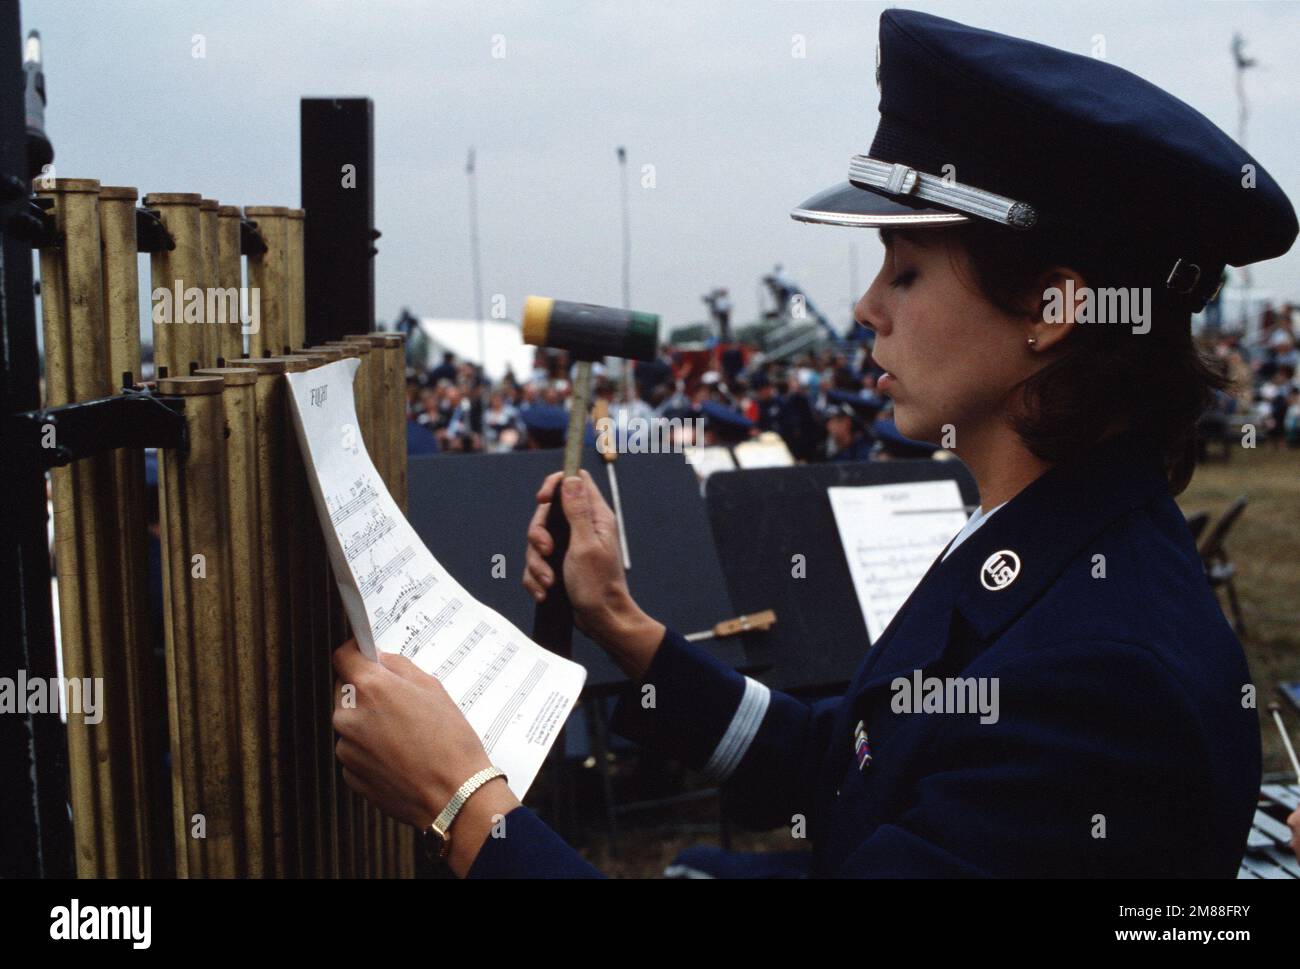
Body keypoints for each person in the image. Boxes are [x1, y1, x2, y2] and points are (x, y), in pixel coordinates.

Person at [330, 9, 1296, 877]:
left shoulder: (1101, 679)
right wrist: (625, 626)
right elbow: (850, 767)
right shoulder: (1045, 550)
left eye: (907, 268)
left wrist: (463, 804)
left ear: (1051, 305)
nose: (867, 307)